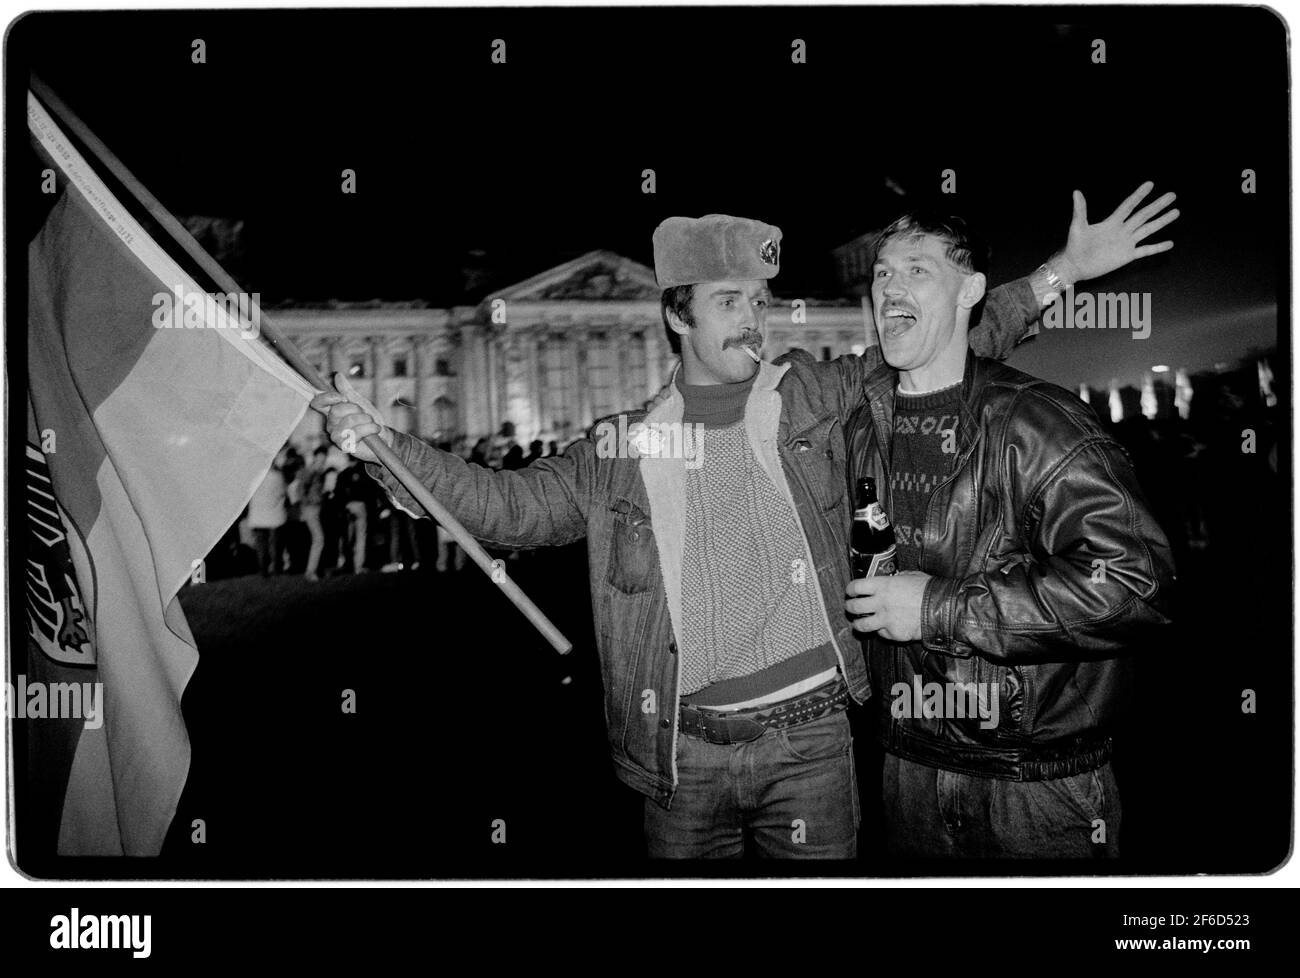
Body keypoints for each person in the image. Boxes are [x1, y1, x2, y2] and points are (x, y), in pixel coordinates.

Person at [312, 194, 1171, 859]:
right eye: (731, 302)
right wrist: (388, 447)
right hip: (681, 760)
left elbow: (952, 336)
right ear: (677, 315)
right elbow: (506, 508)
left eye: (761, 301)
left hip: (814, 744)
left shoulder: (812, 395)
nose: (756, 320)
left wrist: (1063, 272)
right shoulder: (622, 446)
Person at [843, 208, 1177, 860]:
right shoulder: (862, 425)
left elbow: (1137, 584)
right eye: (882, 273)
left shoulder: (1039, 422)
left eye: (917, 270)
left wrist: (939, 607)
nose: (890, 287)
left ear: (970, 290)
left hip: (1034, 780)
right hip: (908, 767)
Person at [247, 452, 289, 576]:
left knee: (261, 544)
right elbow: (283, 492)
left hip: (257, 514)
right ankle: (276, 568)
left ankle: (263, 569)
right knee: (275, 544)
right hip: (274, 514)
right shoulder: (277, 476)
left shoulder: (254, 477)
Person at [299, 446, 330, 581]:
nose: (322, 460)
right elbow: (301, 488)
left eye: (324, 458)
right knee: (319, 539)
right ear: (316, 457)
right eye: (321, 457)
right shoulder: (311, 471)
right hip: (311, 508)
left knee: (318, 539)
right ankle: (311, 571)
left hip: (315, 507)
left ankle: (315, 570)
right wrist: (306, 503)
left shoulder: (318, 471)